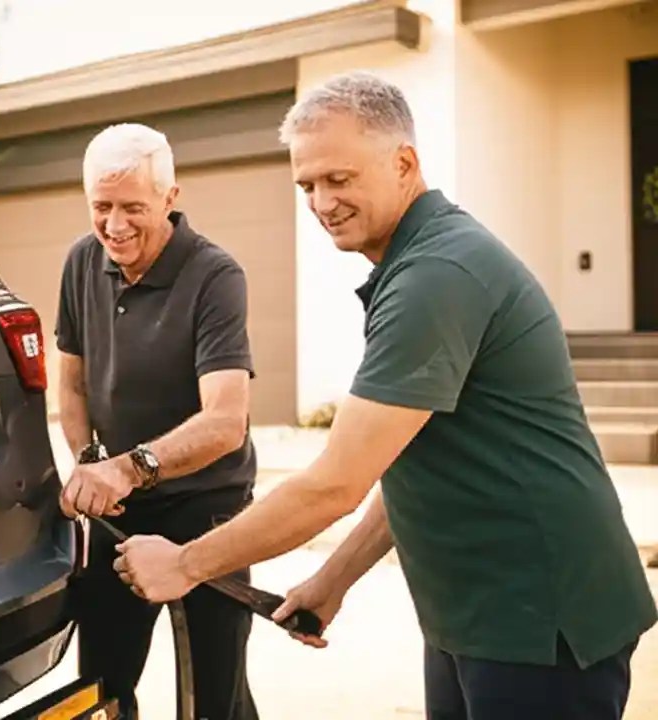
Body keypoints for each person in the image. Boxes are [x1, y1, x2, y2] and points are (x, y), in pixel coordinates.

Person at [114, 71, 657, 720]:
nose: (322, 203)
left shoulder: (437, 275)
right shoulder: (417, 262)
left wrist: (186, 563)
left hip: (541, 619)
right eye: (307, 185)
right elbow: (411, 460)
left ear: (404, 164)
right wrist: (334, 578)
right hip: (475, 618)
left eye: (339, 179)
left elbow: (333, 484)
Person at [55, 122, 259, 720]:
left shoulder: (216, 276)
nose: (114, 225)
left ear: (170, 198)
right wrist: (91, 461)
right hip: (120, 511)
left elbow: (226, 421)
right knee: (103, 690)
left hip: (207, 510)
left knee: (214, 699)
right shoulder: (81, 261)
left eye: (133, 208)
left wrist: (128, 468)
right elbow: (72, 384)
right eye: (101, 206)